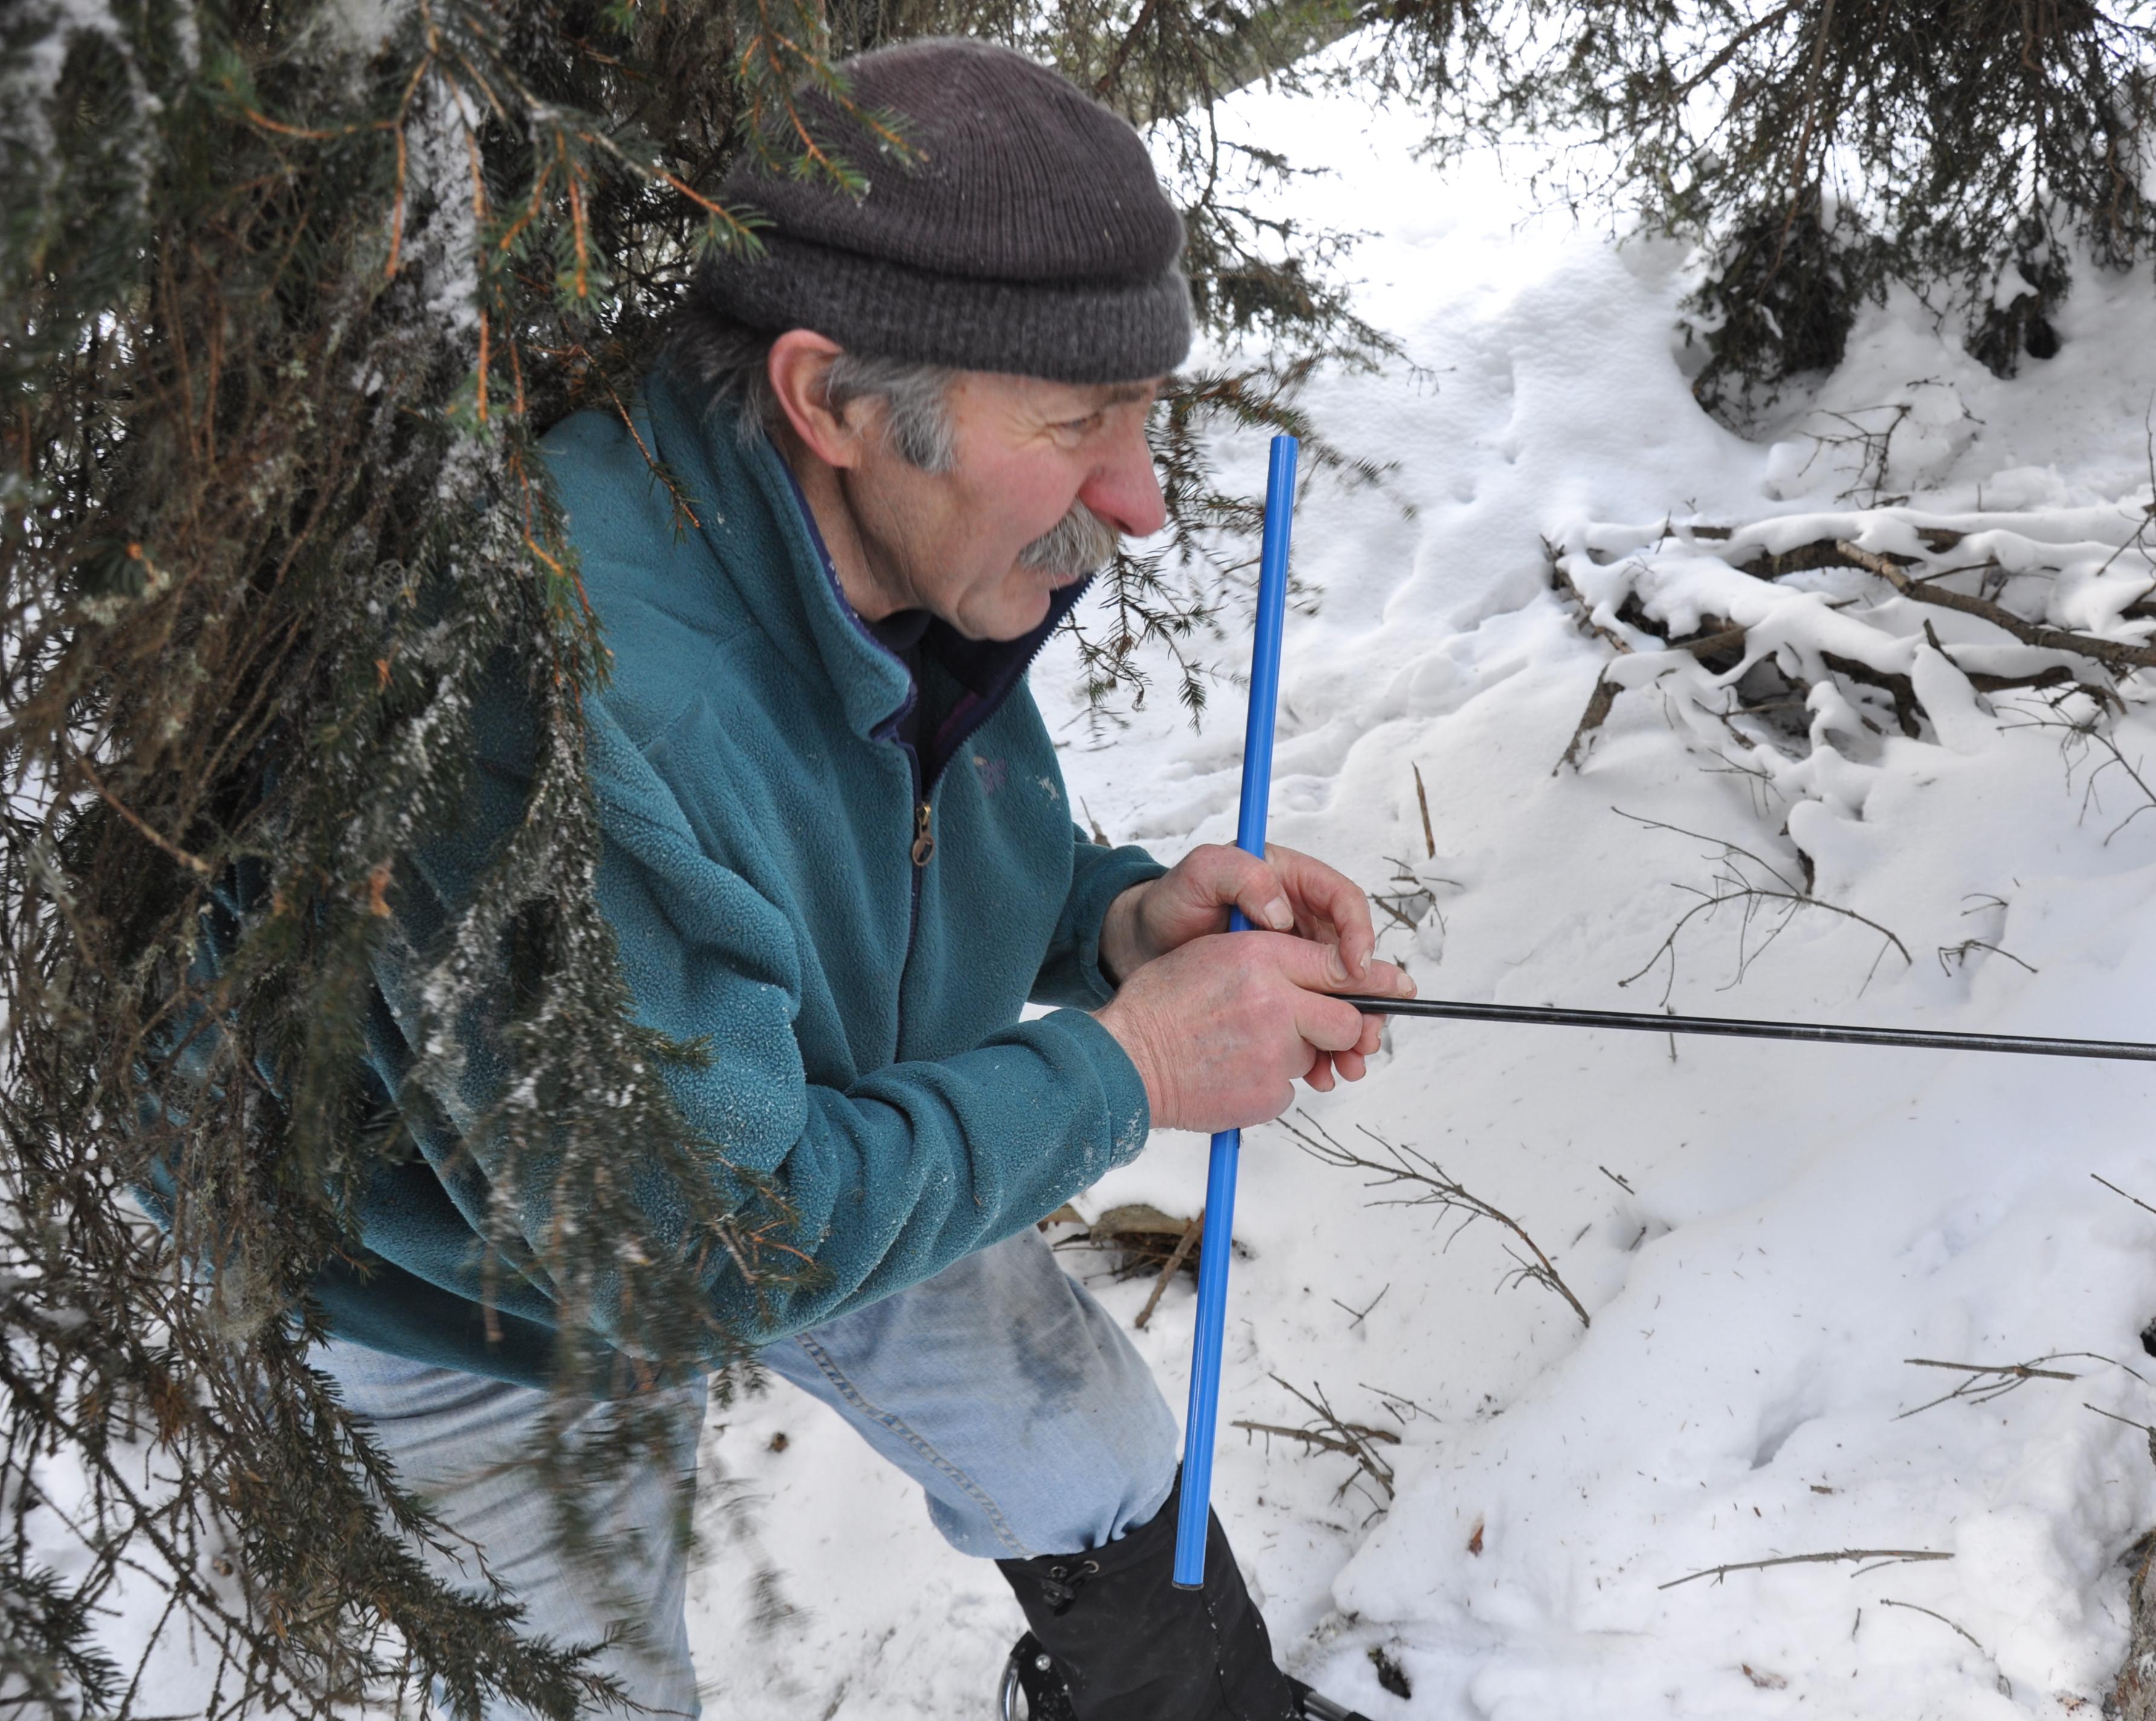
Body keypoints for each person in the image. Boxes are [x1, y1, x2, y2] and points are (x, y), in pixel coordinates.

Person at [316, 36, 1412, 1721]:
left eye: (1144, 411)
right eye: (1077, 423)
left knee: (1097, 1460)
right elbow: (701, 1241)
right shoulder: (567, 699)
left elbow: (856, 833)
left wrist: (1116, 922)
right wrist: (1131, 1067)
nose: (1140, 502)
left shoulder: (888, 534)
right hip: (475, 1279)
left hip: (795, 1124)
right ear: (829, 398)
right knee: (576, 1688)